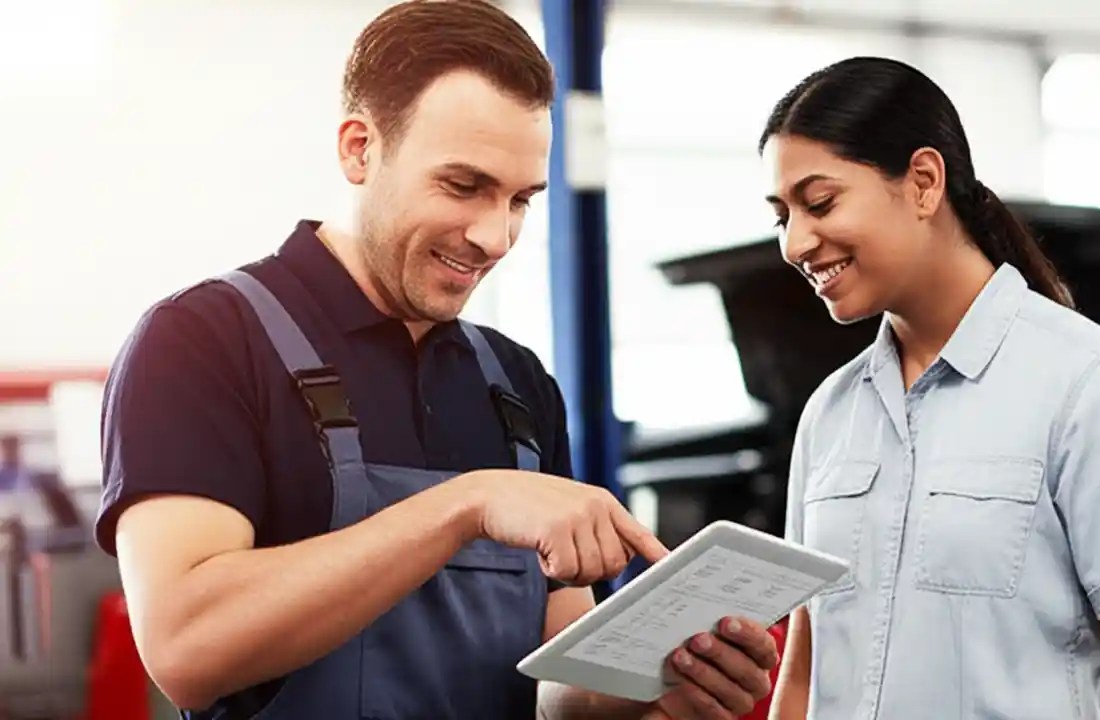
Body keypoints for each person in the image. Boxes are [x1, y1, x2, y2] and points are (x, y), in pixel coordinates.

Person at [96, 2, 777, 718]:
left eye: (520, 200)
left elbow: (555, 691)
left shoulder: (515, 384)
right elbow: (186, 648)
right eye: (463, 186)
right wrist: (465, 506)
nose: (495, 236)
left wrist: (658, 685)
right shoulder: (203, 341)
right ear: (360, 148)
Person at [759, 57, 1100, 719]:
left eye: (819, 203)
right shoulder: (831, 413)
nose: (796, 243)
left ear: (923, 181)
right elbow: (803, 675)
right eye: (781, 216)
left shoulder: (1089, 385)